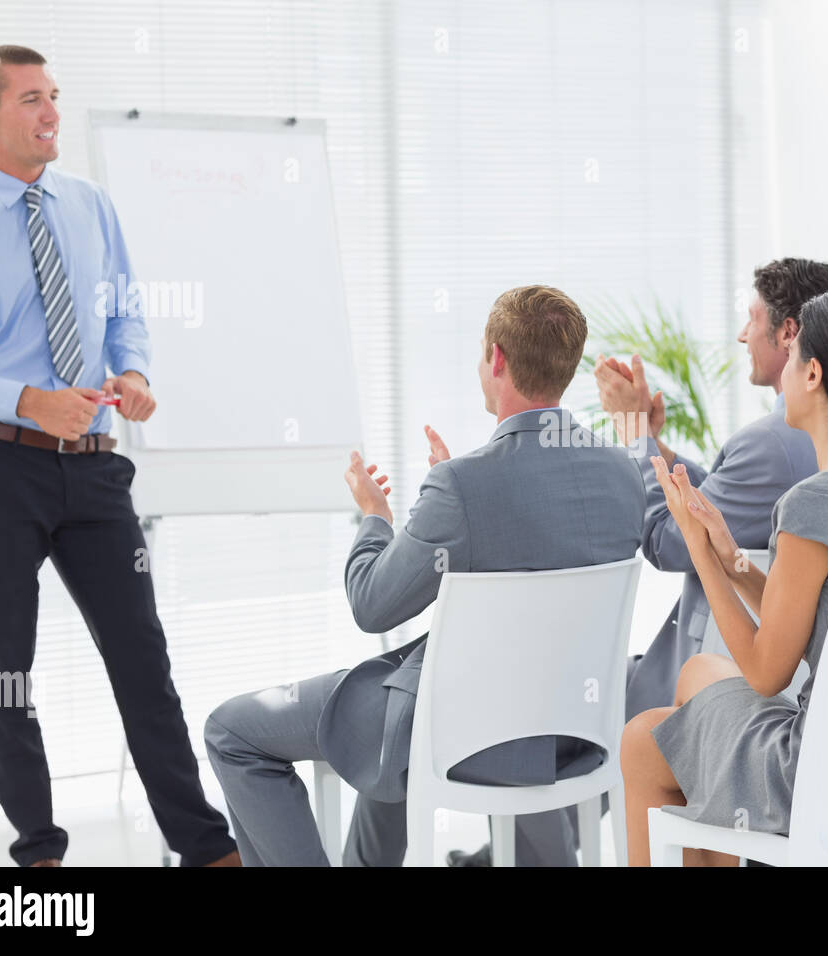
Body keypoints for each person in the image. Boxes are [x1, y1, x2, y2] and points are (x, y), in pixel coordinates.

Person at [203, 285, 646, 866]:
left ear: (496, 359)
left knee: (232, 731)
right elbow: (540, 545)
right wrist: (453, 509)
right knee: (392, 723)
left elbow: (372, 606)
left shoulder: (463, 486)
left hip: (469, 735)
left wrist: (377, 518)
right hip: (571, 734)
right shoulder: (622, 472)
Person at [449, 259, 828, 867]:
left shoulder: (770, 444)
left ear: (792, 336)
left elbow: (668, 540)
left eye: (752, 321)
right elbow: (721, 493)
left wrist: (633, 428)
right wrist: (653, 446)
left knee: (559, 704)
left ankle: (522, 857)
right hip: (791, 680)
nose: (743, 336)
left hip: (724, 667)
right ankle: (504, 856)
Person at [0, 45, 238, 867]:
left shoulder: (89, 205)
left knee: (143, 656)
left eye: (54, 97)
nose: (49, 114)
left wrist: (134, 372)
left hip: (96, 468)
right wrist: (27, 399)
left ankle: (204, 847)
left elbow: (124, 314)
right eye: (31, 99)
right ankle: (39, 852)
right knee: (8, 673)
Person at [621, 291, 828, 866]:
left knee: (642, 743)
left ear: (812, 372)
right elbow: (825, 610)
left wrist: (699, 550)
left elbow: (764, 671)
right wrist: (732, 558)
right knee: (700, 673)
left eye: (793, 349)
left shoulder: (815, 504)